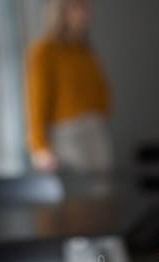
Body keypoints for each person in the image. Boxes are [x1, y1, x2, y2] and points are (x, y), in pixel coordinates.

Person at [25, 0, 112, 180]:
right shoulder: (44, 51)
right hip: (67, 136)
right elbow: (36, 101)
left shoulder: (86, 52)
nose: (84, 13)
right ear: (61, 12)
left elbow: (101, 91)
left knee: (102, 194)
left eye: (85, 7)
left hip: (95, 131)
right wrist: (39, 146)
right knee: (76, 198)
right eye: (77, 7)